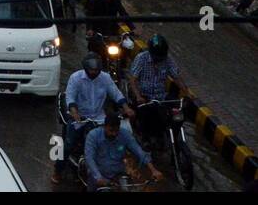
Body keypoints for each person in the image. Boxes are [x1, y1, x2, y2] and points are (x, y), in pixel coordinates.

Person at [53, 52, 135, 184]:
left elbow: (116, 94)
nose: (94, 72)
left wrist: (126, 108)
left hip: (98, 117)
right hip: (80, 118)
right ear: (86, 69)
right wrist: (74, 113)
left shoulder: (105, 78)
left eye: (96, 70)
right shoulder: (76, 78)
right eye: (91, 70)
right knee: (68, 145)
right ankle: (57, 171)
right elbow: (70, 97)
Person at [127, 34, 184, 148]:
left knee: (175, 111)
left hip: (161, 96)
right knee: (146, 113)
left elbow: (176, 77)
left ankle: (165, 133)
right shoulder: (141, 58)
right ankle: (145, 136)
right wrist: (138, 96)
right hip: (144, 96)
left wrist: (186, 92)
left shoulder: (167, 60)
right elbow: (133, 80)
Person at [84, 112, 162, 188]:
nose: (114, 134)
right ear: (104, 126)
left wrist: (153, 170)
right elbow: (89, 158)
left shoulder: (125, 134)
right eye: (111, 131)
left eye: (116, 131)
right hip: (98, 174)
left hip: (118, 173)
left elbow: (139, 151)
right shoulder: (93, 136)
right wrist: (98, 177)